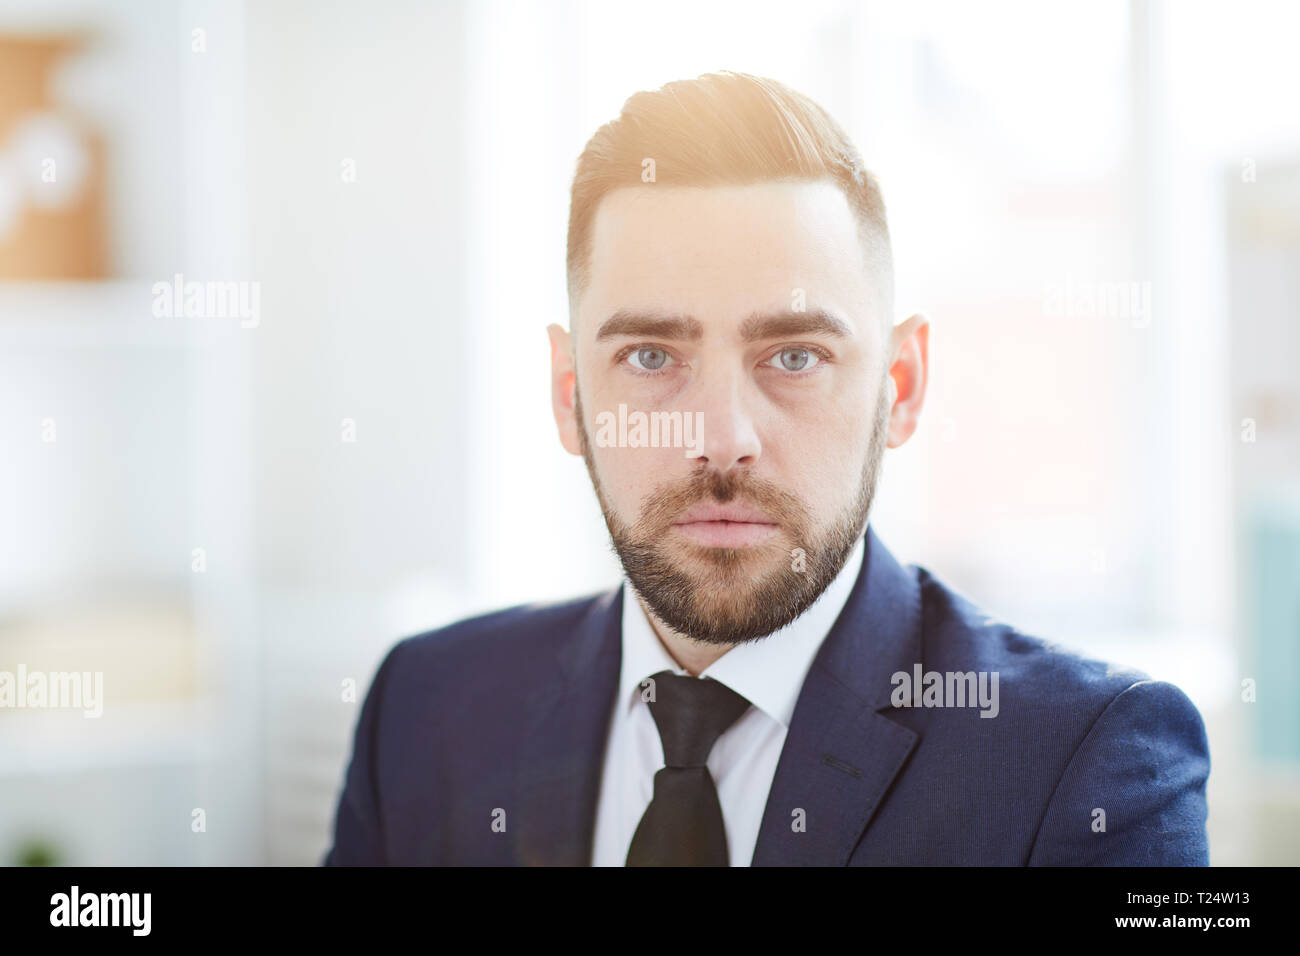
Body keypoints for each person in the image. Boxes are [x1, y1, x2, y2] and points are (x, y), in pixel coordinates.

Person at [324, 71, 1210, 866]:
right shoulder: (426, 711)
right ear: (569, 395)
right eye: (648, 357)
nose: (722, 438)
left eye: (793, 357)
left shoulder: (1090, 762)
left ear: (899, 389)